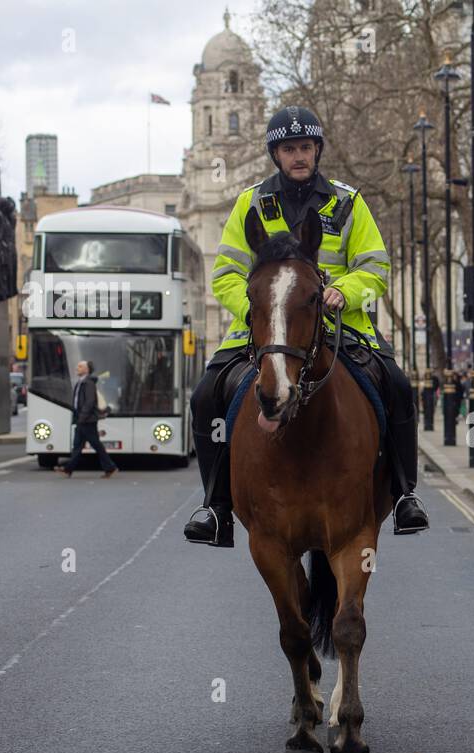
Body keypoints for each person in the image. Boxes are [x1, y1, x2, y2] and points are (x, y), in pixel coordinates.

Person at [183, 106, 427, 547]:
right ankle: (215, 505)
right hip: (262, 331)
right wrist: (258, 311)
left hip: (339, 327)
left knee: (397, 385)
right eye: (290, 148)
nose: (299, 156)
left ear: (317, 150)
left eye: (306, 147)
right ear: (276, 154)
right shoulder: (251, 202)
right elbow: (225, 274)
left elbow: (375, 267)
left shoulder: (348, 201)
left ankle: (406, 494)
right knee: (204, 396)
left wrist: (346, 291)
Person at [55, 360, 118, 478]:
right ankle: (68, 469)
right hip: (82, 419)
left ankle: (110, 467)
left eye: (80, 366)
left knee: (95, 445)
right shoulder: (81, 382)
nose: (76, 368)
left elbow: (89, 402)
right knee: (79, 446)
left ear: (86, 370)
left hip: (87, 420)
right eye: (77, 366)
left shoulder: (88, 383)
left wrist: (82, 417)